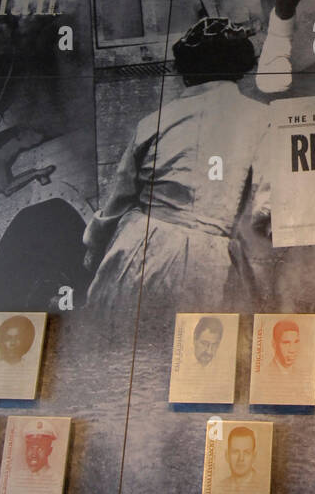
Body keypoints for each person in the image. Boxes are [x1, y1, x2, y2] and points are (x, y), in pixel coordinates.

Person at [84, 19, 270, 313]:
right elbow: (263, 211)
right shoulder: (262, 119)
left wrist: (94, 249)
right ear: (241, 65)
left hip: (135, 250)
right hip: (205, 263)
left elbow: (119, 200)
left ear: (186, 70)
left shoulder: (155, 121)